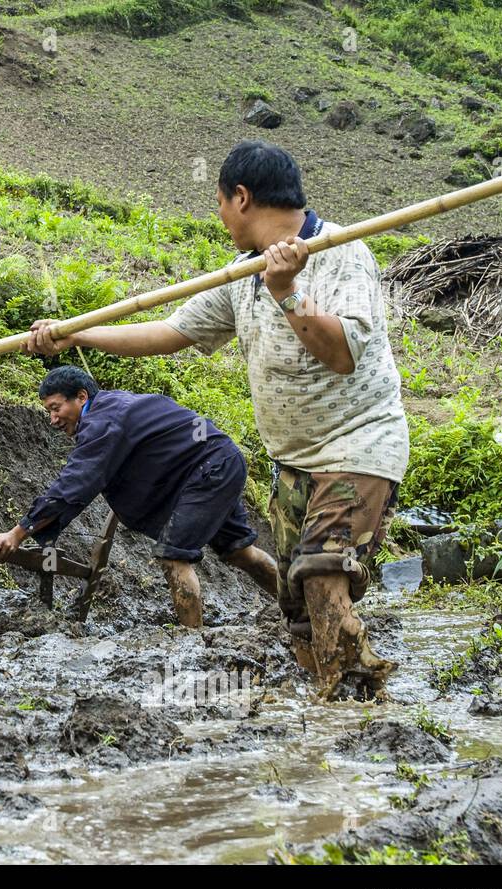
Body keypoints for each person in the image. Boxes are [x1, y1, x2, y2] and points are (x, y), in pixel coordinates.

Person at [22, 140, 408, 700]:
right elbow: (166, 335)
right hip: (294, 461)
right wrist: (75, 332)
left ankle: (353, 709)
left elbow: (343, 354)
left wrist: (287, 292)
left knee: (324, 574)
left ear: (242, 197)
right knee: (298, 609)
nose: (221, 216)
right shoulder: (241, 274)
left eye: (220, 203)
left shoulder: (342, 254)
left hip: (359, 445)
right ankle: (327, 715)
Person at [0, 365, 277, 626]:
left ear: (80, 397)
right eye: (48, 412)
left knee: (173, 556)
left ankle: (193, 644)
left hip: (208, 470)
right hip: (217, 463)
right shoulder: (114, 408)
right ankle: (299, 607)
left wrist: (18, 533)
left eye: (56, 408)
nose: (53, 419)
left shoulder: (103, 422)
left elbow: (72, 485)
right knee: (241, 550)